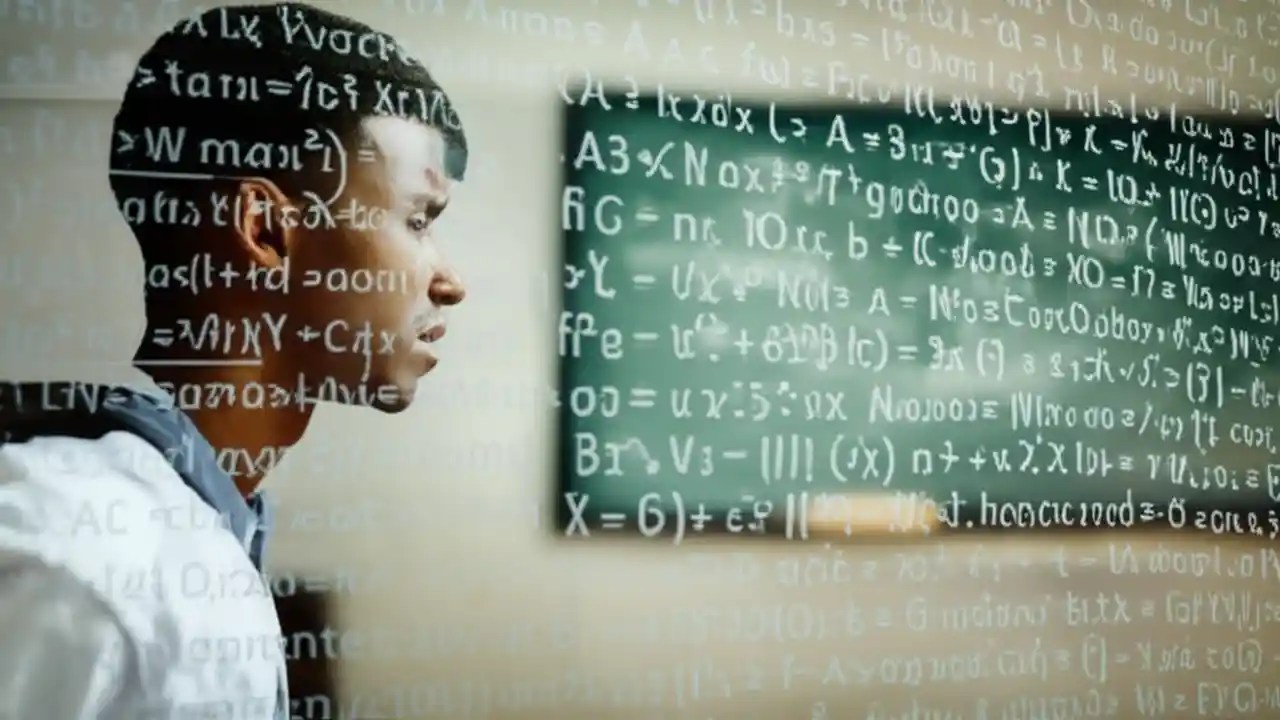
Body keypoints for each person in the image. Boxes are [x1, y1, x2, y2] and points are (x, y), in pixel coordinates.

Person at [0, 3, 468, 718]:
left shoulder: (196, 534)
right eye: (416, 220)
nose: (450, 282)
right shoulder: (77, 550)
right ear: (265, 230)